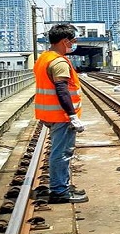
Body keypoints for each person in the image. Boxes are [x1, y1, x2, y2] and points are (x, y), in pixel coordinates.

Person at [33, 24, 88, 204]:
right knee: (62, 153)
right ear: (65, 41)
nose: (74, 44)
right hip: (61, 116)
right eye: (73, 41)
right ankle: (59, 191)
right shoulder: (59, 62)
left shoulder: (44, 58)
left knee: (60, 151)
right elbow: (61, 89)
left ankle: (61, 185)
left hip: (50, 113)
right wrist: (72, 115)